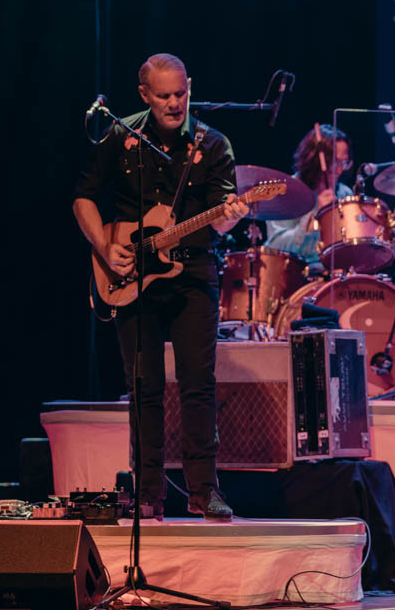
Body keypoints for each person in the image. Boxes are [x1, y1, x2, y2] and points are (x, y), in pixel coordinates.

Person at [74, 53, 249, 521]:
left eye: (182, 93)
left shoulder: (213, 145)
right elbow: (84, 197)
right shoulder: (120, 136)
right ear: (144, 95)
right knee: (143, 385)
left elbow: (218, 220)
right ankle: (148, 493)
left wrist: (231, 214)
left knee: (198, 384)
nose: (176, 103)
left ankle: (203, 492)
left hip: (193, 274)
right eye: (165, 96)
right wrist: (105, 249)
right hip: (130, 275)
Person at [265, 123, 354, 272]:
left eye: (344, 163)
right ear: (315, 160)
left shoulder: (344, 194)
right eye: (334, 162)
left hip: (333, 278)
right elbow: (276, 245)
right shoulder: (285, 193)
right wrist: (314, 214)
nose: (339, 170)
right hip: (293, 277)